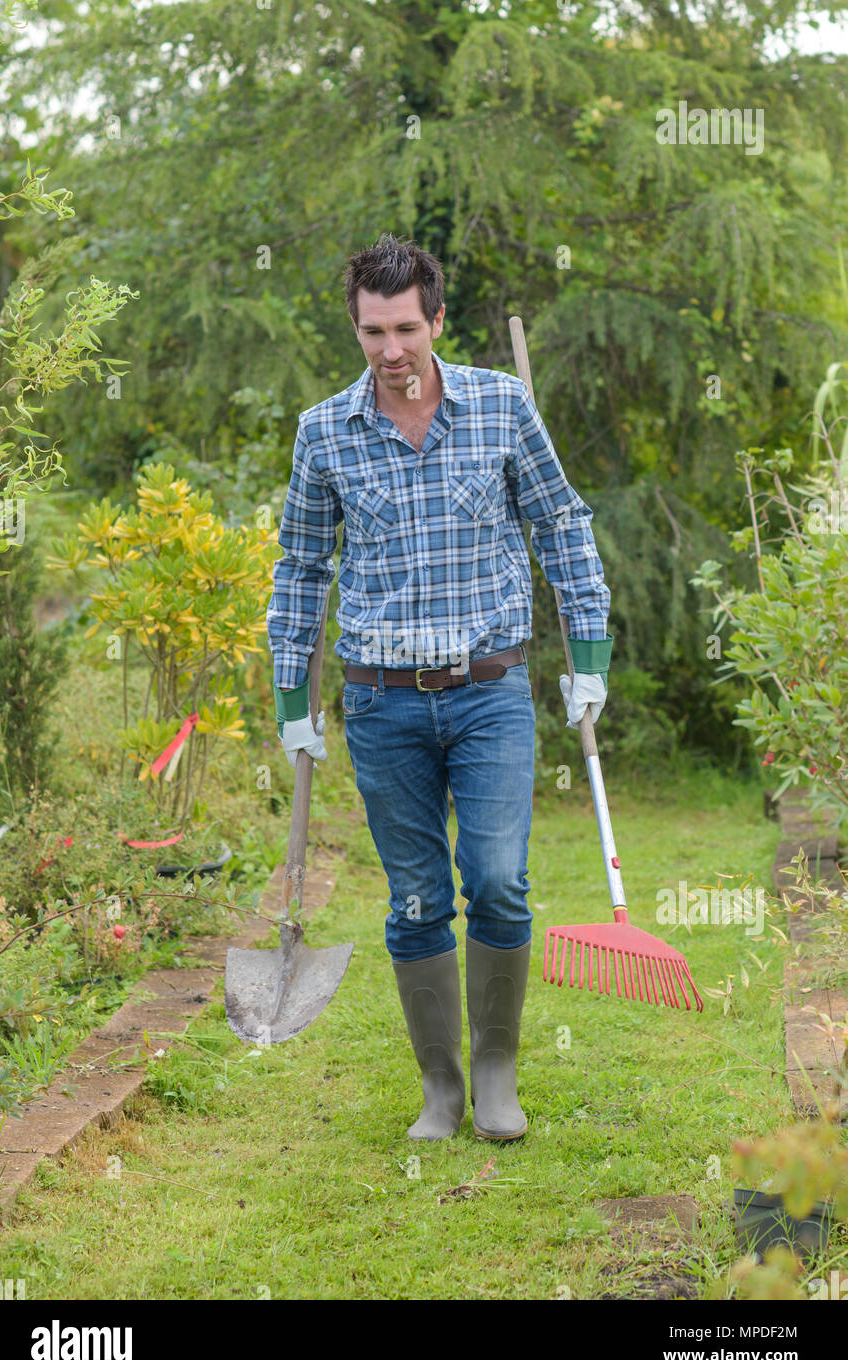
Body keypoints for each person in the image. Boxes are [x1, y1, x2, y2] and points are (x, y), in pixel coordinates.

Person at [267, 233, 613, 1141]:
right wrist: (290, 702)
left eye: (406, 328)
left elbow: (563, 526)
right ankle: (442, 1088)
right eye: (373, 331)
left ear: (437, 321)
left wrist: (589, 653)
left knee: (497, 881)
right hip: (381, 702)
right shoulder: (323, 432)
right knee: (416, 896)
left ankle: (496, 1073)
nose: (391, 351)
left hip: (487, 688)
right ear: (355, 327)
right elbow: (301, 568)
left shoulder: (502, 409)